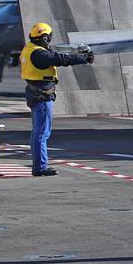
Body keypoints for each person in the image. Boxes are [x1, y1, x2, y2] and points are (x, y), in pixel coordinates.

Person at [20, 22, 94, 176]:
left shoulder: (29, 49)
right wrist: (84, 58)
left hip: (35, 93)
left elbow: (55, 54)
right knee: (42, 133)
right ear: (45, 38)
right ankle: (40, 167)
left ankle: (39, 166)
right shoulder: (39, 54)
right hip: (41, 95)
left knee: (38, 132)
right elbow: (60, 59)